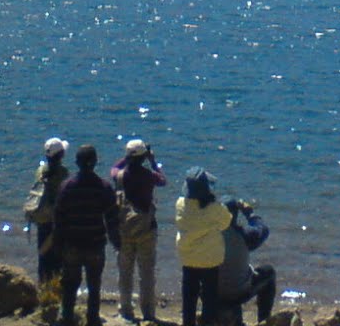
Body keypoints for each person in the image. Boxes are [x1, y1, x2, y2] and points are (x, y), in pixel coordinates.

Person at [52, 143, 122, 326]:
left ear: (77, 162)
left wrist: (57, 245)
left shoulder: (66, 187)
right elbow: (112, 219)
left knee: (70, 285)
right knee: (94, 285)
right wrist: (117, 243)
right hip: (95, 243)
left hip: (72, 244)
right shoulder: (104, 187)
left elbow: (59, 219)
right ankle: (92, 319)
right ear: (95, 162)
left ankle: (66, 318)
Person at [110, 138, 168, 321]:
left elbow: (114, 168)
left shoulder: (119, 175)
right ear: (143, 157)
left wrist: (126, 158)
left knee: (125, 271)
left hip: (124, 228)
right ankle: (148, 313)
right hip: (146, 228)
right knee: (147, 273)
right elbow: (163, 180)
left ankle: (126, 310)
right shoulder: (148, 176)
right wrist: (152, 161)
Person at [175, 167, 232, 326]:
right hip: (210, 259)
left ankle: (188, 323)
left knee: (189, 296)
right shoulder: (215, 208)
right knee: (209, 297)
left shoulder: (180, 204)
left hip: (188, 256)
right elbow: (226, 222)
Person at [216, 197, 275, 326]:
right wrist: (250, 213)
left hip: (213, 292)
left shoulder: (208, 235)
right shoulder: (244, 235)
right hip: (239, 292)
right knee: (269, 272)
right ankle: (263, 320)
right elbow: (263, 229)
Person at [28, 137, 70, 285]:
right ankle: (56, 292)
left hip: (42, 219)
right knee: (59, 261)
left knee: (44, 258)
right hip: (57, 222)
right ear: (61, 155)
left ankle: (43, 289)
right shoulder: (63, 173)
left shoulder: (40, 171)